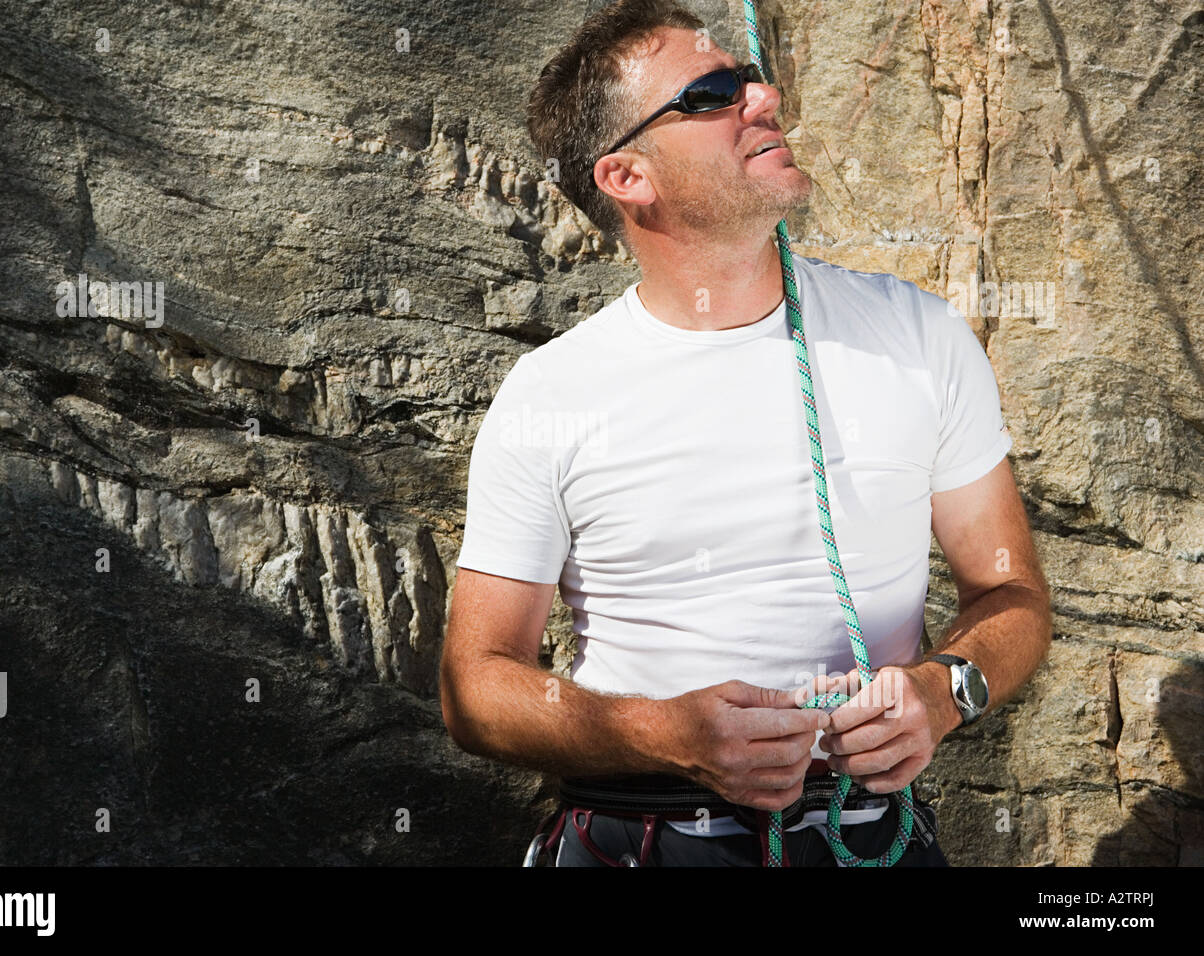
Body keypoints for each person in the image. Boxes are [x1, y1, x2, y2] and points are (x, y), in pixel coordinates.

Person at [438, 0, 1052, 866]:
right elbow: (475, 690)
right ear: (627, 178)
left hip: (870, 836)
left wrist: (947, 689)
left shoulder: (918, 335)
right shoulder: (553, 395)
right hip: (640, 841)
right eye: (713, 93)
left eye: (749, 78)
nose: (761, 98)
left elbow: (1012, 596)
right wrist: (662, 733)